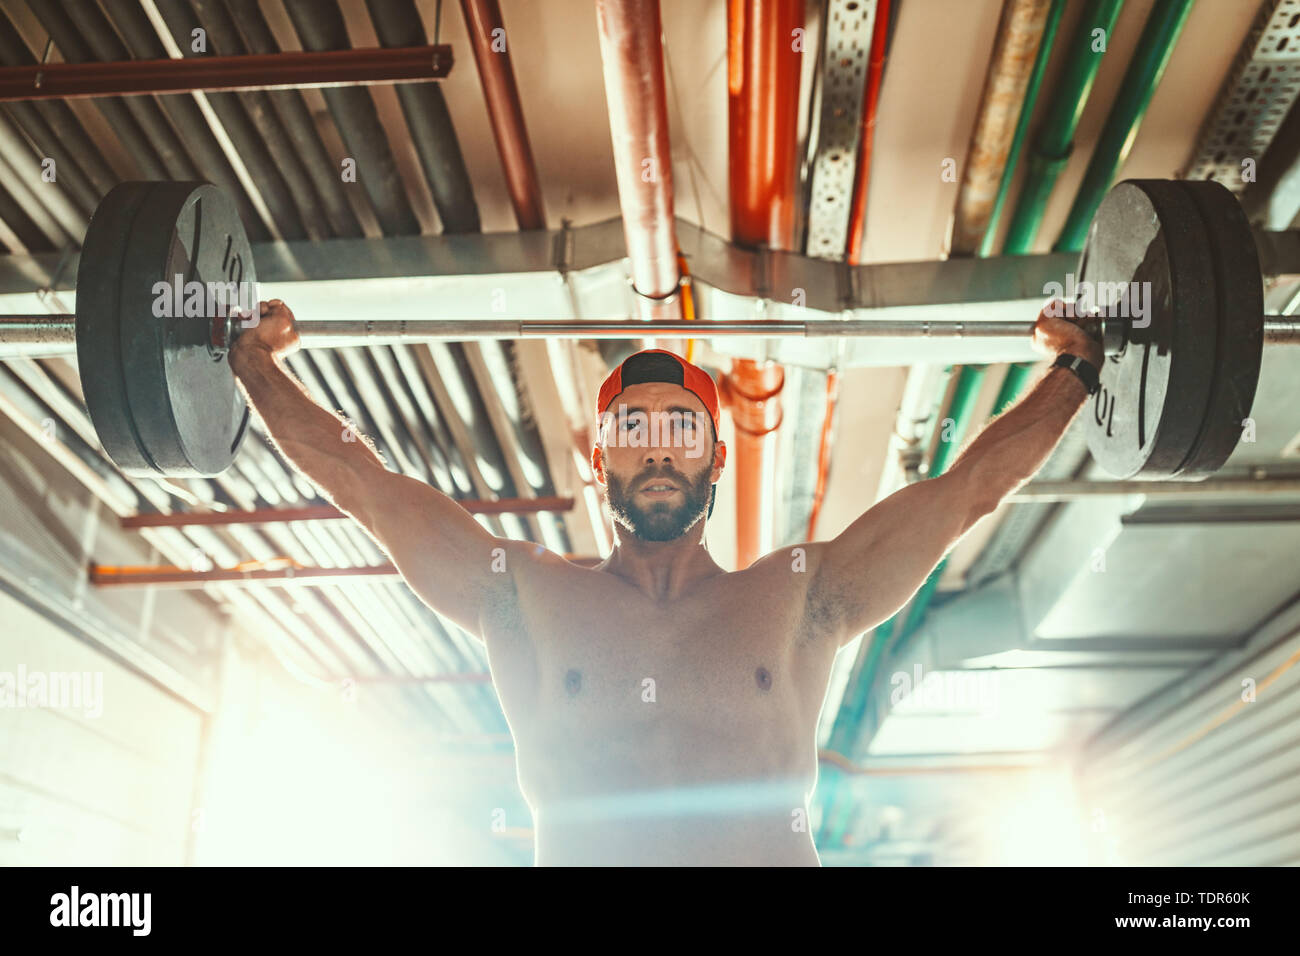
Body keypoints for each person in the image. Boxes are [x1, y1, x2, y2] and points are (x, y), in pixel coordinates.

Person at [228, 299, 1103, 866]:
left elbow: (964, 494)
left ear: (715, 456)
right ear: (599, 456)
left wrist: (1078, 370)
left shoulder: (801, 596)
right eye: (633, 429)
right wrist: (254, 366)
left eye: (681, 427)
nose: (656, 448)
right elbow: (370, 492)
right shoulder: (522, 595)